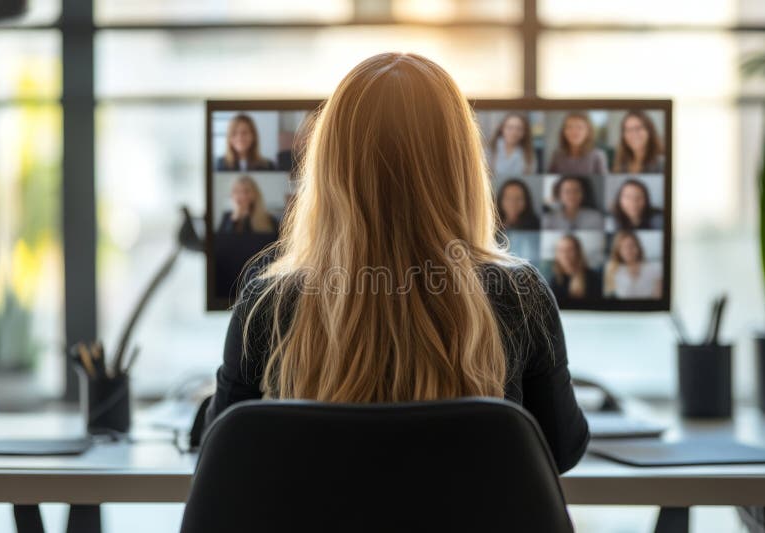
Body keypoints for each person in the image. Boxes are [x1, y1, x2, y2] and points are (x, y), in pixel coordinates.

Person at [204, 53, 588, 474]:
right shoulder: (518, 294)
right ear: (460, 166)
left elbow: (220, 452)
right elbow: (561, 450)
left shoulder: (268, 302)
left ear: (330, 167)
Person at [604, 231, 662, 299]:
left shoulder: (654, 269)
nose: (628, 250)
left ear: (638, 247)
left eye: (631, 246)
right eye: (623, 247)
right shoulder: (613, 270)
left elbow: (658, 297)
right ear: (618, 251)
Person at [549, 235, 602, 301]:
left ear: (578, 252)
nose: (565, 255)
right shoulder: (554, 280)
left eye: (570, 250)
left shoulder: (593, 277)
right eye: (561, 250)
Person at [488, 113, 537, 178]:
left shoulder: (529, 155)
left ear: (524, 133)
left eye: (519, 129)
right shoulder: (490, 150)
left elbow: (532, 179)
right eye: (510, 128)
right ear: (502, 129)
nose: (514, 132)